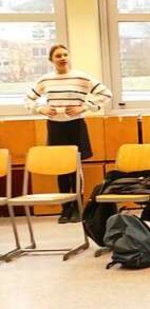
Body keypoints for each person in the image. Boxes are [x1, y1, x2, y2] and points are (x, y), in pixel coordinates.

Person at [24, 44, 112, 224]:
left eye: (65, 54)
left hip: (76, 125)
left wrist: (85, 106)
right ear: (51, 60)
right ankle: (66, 209)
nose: (63, 58)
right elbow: (28, 99)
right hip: (55, 127)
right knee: (61, 168)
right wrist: (40, 108)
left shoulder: (81, 77)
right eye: (58, 56)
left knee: (76, 168)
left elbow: (106, 94)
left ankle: (78, 207)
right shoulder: (46, 80)